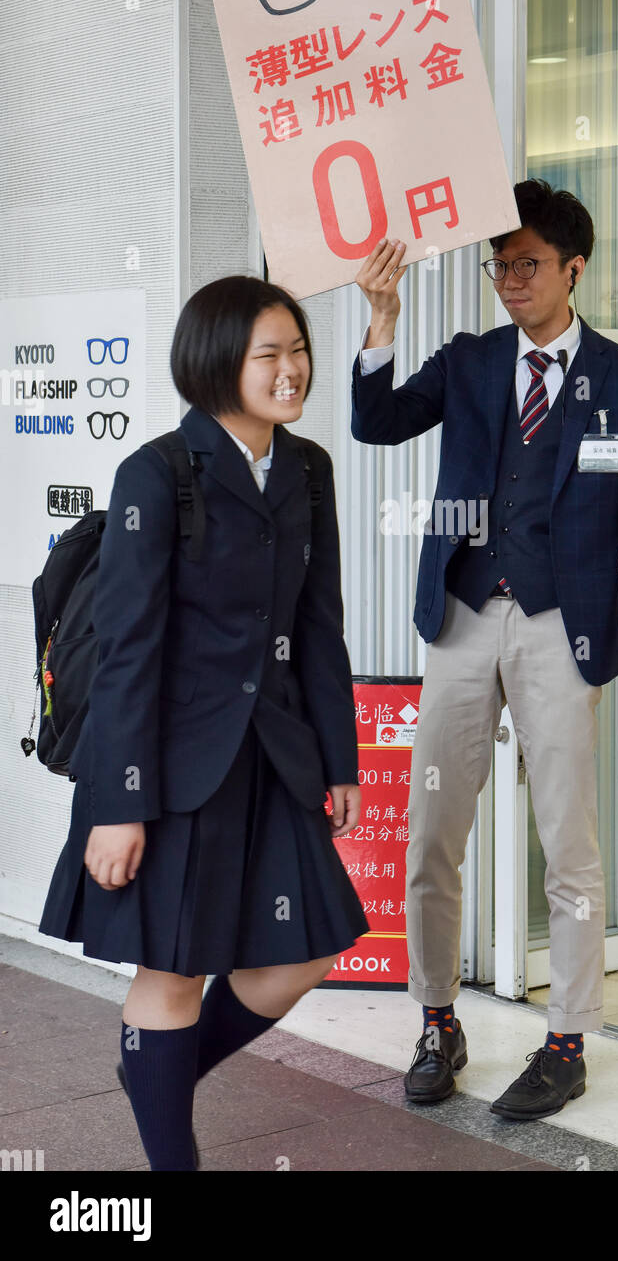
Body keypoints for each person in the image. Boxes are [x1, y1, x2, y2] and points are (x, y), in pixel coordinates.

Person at [350, 178, 618, 1121]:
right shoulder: (472, 361)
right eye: (499, 263)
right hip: (459, 617)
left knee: (568, 845)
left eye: (526, 263)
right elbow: (376, 422)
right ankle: (437, 1021)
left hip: (560, 630)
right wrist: (381, 316)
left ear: (574, 268)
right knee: (430, 837)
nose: (508, 279)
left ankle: (566, 1039)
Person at [38, 275, 367, 1171]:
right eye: (270, 354)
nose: (291, 369)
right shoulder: (158, 472)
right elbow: (129, 652)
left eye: (297, 350)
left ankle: (155, 1071)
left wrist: (340, 761)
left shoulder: (308, 468)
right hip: (171, 767)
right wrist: (119, 805)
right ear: (218, 363)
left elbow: (318, 625)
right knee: (174, 971)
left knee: (301, 954)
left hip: (275, 756)